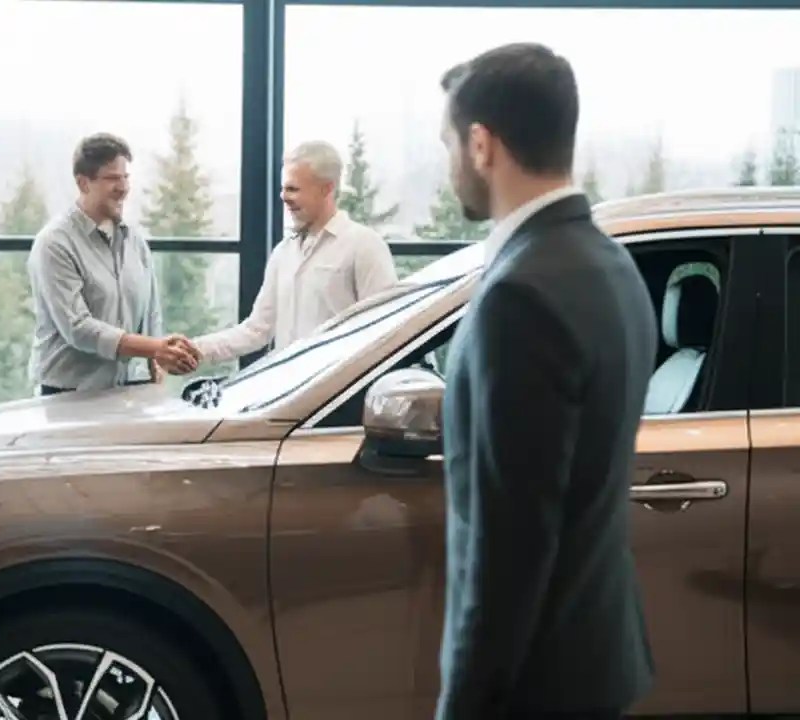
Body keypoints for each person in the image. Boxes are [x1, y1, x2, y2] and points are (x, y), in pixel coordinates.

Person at [433, 43, 657, 720]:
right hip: (595, 667)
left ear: (481, 144)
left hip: (533, 688)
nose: (449, 163)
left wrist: (464, 705)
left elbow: (509, 551)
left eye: (448, 144)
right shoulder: (612, 266)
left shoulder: (519, 296)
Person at [191, 140, 397, 366]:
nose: (283, 196)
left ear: (326, 189)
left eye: (293, 189)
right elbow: (257, 330)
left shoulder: (365, 245)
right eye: (283, 189)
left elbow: (383, 331)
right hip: (288, 386)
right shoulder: (284, 252)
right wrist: (194, 350)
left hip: (339, 385)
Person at [27, 133, 198, 395]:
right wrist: (154, 348)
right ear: (83, 183)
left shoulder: (135, 241)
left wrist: (159, 361)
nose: (123, 187)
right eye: (112, 178)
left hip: (128, 391)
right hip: (68, 395)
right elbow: (78, 328)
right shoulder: (54, 244)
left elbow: (151, 314)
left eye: (125, 177)